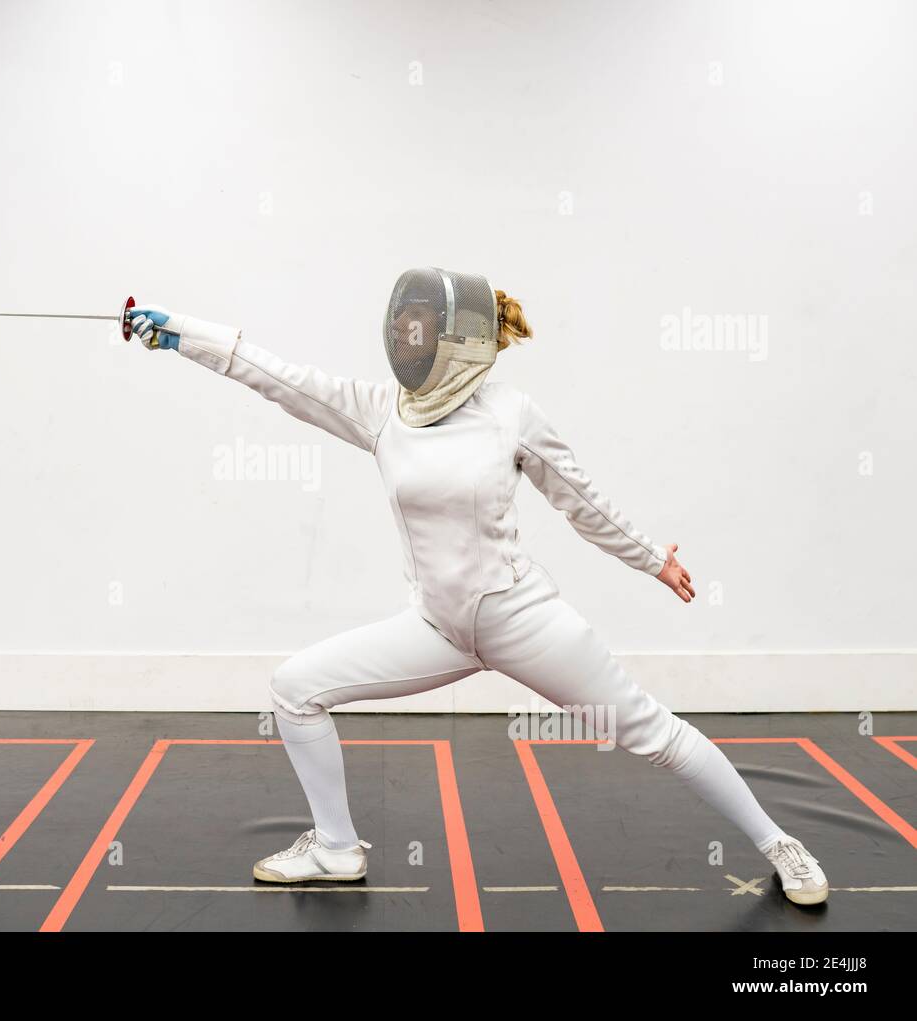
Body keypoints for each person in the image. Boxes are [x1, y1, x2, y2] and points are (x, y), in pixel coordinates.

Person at [124, 268, 829, 907]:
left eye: (420, 327)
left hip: (521, 618)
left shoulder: (510, 413)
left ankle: (779, 843)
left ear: (457, 341)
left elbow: (581, 500)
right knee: (294, 687)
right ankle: (337, 849)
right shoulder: (381, 412)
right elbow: (278, 377)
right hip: (436, 626)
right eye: (404, 327)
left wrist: (654, 560)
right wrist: (181, 333)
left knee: (651, 731)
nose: (406, 337)